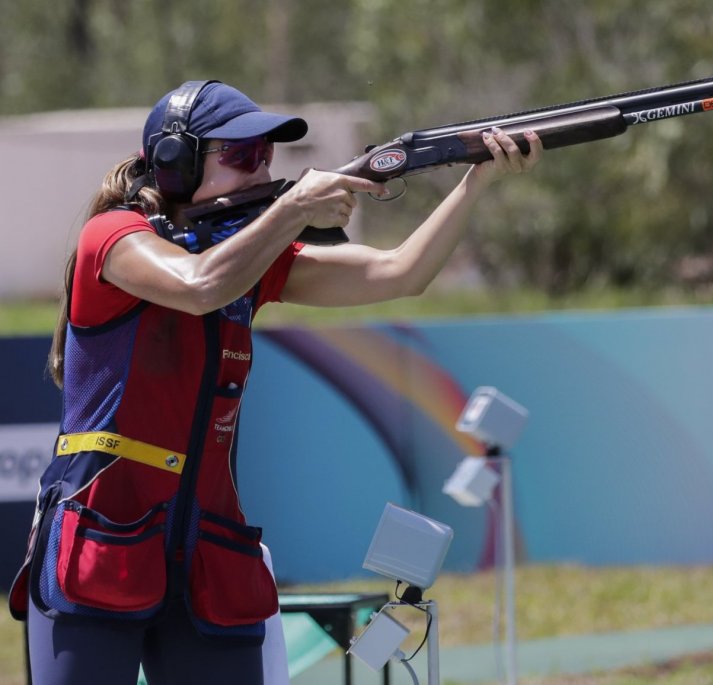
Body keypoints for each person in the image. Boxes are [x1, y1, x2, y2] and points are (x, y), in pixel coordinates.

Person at [9, 80, 541, 685]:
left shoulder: (251, 259)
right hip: (102, 540)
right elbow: (198, 285)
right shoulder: (112, 236)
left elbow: (401, 272)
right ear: (176, 165)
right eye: (238, 156)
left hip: (207, 553)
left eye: (265, 156)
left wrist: (478, 182)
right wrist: (293, 211)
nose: (259, 169)